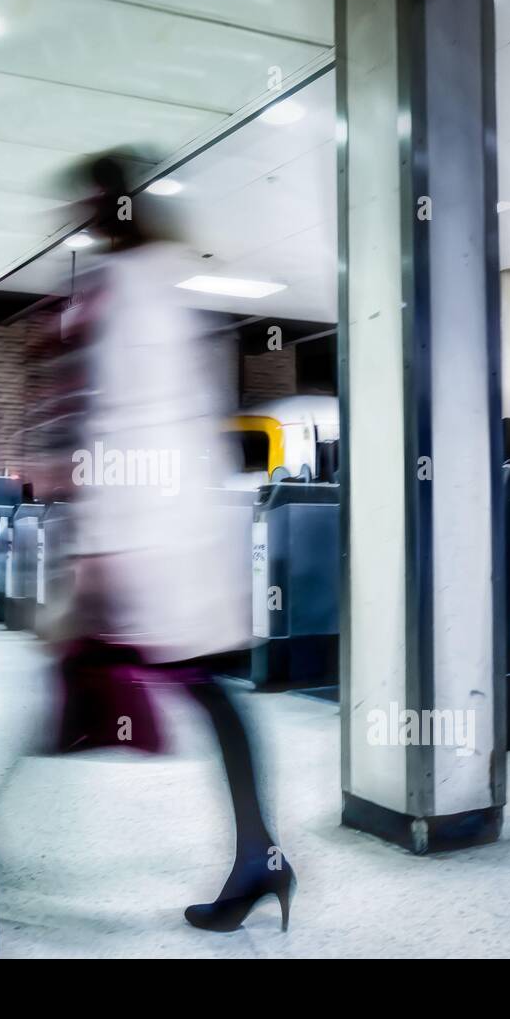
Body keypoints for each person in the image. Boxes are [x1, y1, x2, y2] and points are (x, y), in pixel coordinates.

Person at [62, 155, 294, 932]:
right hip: (178, 537)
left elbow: (128, 424)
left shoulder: (129, 288)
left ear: (109, 206)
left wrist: (101, 549)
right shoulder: (160, 280)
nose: (79, 214)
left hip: (154, 541)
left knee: (94, 686)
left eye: (87, 200)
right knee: (202, 692)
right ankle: (259, 856)